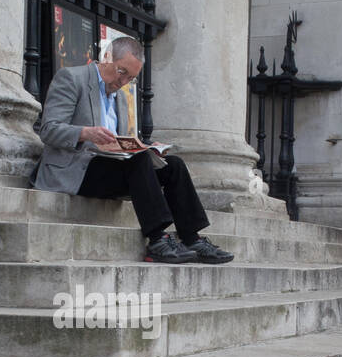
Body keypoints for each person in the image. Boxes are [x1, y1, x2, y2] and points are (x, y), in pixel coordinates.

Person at [31, 36, 234, 264]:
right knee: (137, 161)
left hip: (111, 166)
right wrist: (85, 133)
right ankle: (157, 240)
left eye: (131, 77)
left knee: (173, 165)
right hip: (74, 168)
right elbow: (48, 130)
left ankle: (192, 239)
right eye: (121, 72)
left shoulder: (121, 95)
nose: (124, 81)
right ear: (107, 58)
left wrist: (147, 148)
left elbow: (123, 141)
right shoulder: (71, 78)